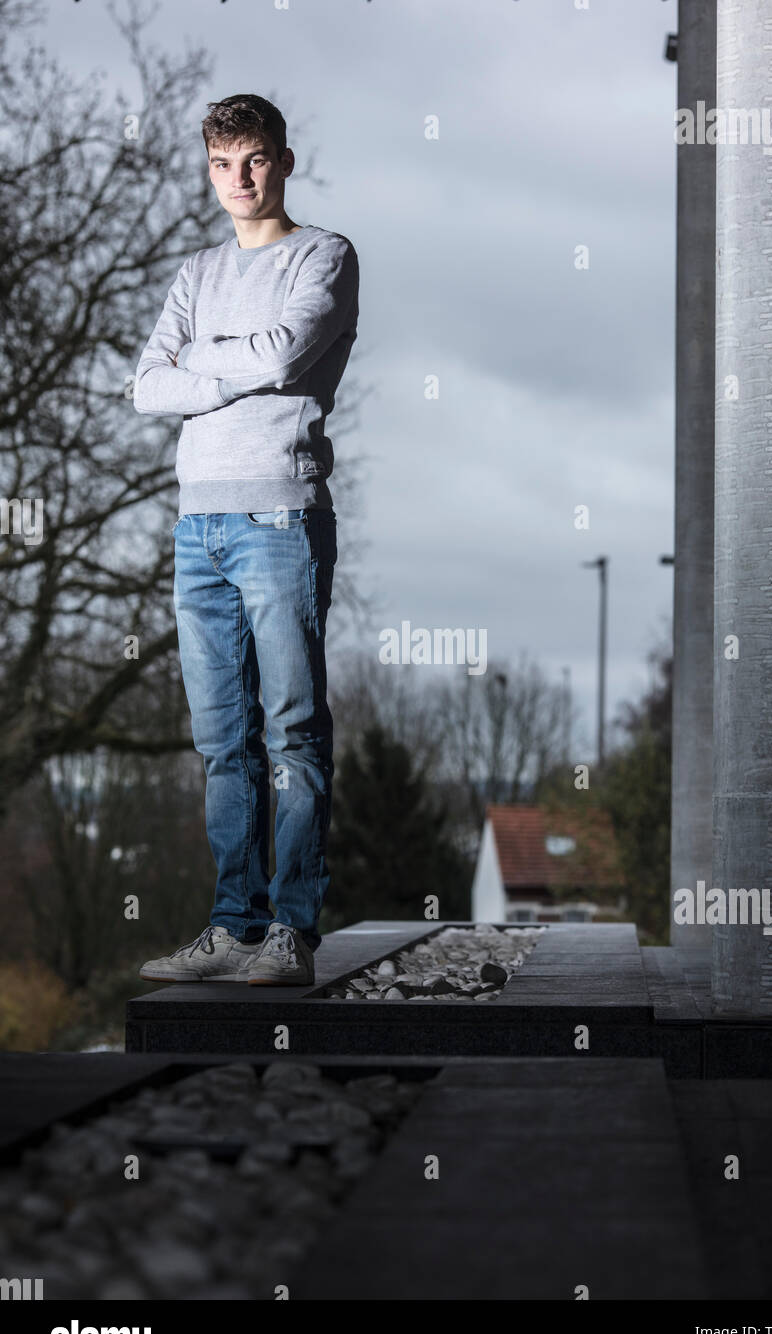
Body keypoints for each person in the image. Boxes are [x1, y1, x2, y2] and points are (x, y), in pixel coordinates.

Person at [133, 94, 359, 986]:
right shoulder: (195, 273)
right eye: (224, 163)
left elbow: (282, 356)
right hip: (199, 528)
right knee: (222, 741)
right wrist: (227, 362)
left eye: (256, 159)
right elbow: (147, 385)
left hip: (279, 517)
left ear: (285, 161)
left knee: (292, 730)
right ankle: (233, 925)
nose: (240, 178)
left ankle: (290, 934)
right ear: (209, 169)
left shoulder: (325, 256)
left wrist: (205, 365)